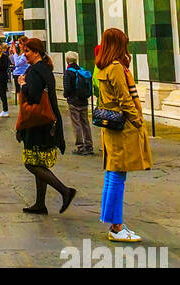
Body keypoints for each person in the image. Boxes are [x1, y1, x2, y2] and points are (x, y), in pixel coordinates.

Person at [94, 27, 150, 243]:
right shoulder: (116, 67)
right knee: (118, 174)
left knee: (112, 172)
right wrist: (137, 120)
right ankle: (116, 227)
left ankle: (111, 220)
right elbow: (125, 99)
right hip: (122, 127)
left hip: (110, 125)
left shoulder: (103, 67)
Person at [17, 37, 75, 216]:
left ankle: (65, 191)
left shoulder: (34, 71)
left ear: (36, 52)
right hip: (48, 121)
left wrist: (22, 85)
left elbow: (33, 96)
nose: (24, 54)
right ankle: (40, 204)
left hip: (37, 124)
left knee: (31, 164)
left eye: (27, 51)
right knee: (39, 162)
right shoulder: (46, 69)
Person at [62, 50, 95, 155]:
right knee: (85, 123)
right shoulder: (81, 70)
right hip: (83, 101)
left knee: (76, 124)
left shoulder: (68, 72)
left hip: (73, 101)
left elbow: (67, 88)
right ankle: (89, 145)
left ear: (67, 60)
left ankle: (80, 146)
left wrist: (66, 95)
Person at [0, 43, 12, 117]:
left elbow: (4, 67)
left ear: (1, 49)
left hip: (3, 77)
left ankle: (5, 110)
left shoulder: (4, 57)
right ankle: (4, 110)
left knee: (3, 94)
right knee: (1, 94)